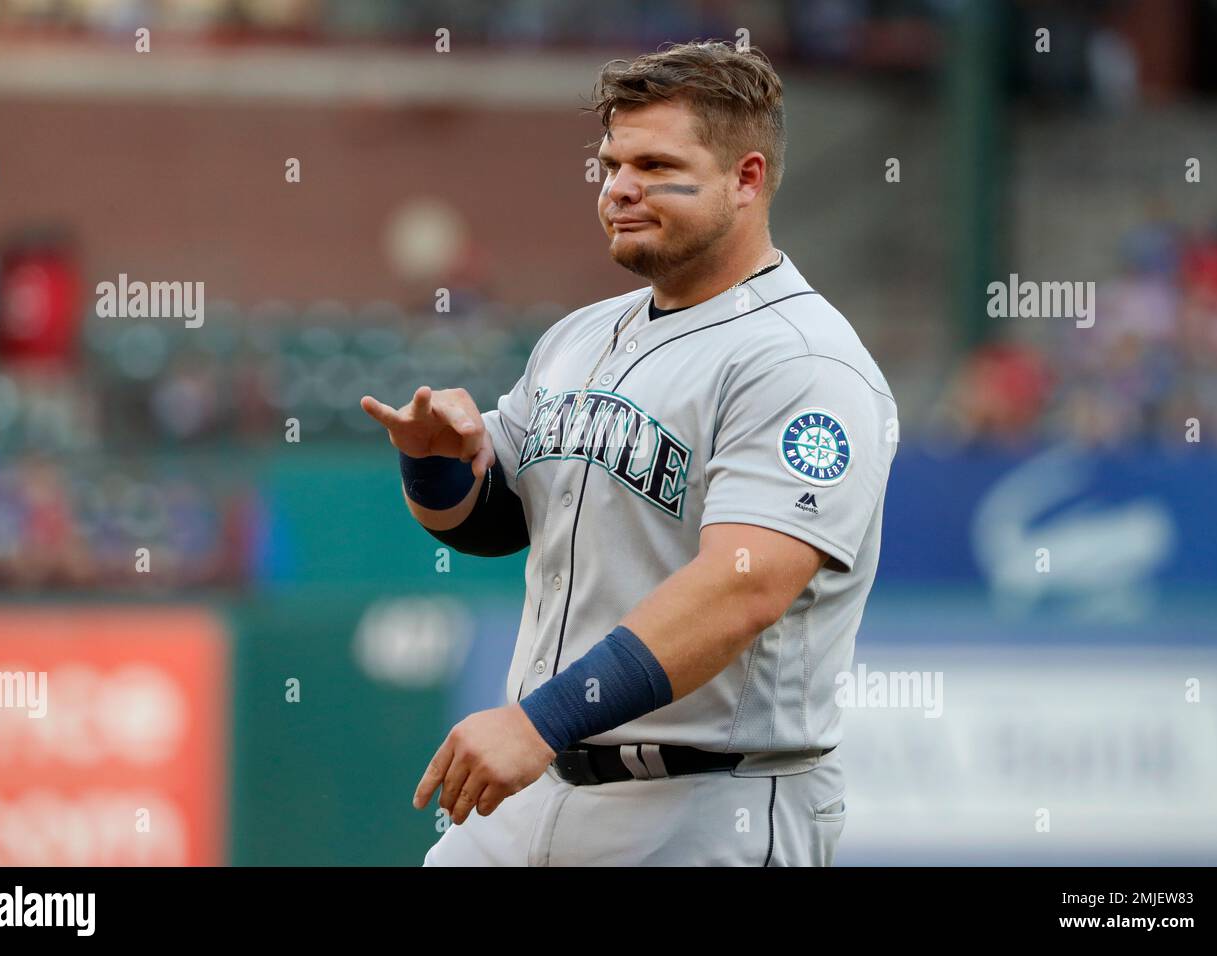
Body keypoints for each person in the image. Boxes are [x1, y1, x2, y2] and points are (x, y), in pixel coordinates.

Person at [362, 40, 898, 866]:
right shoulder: (581, 335)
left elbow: (741, 587)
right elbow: (496, 522)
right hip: (530, 793)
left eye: (654, 164)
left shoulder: (802, 361)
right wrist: (436, 463)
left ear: (746, 178)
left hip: (712, 799)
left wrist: (540, 720)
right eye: (611, 163)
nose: (619, 188)